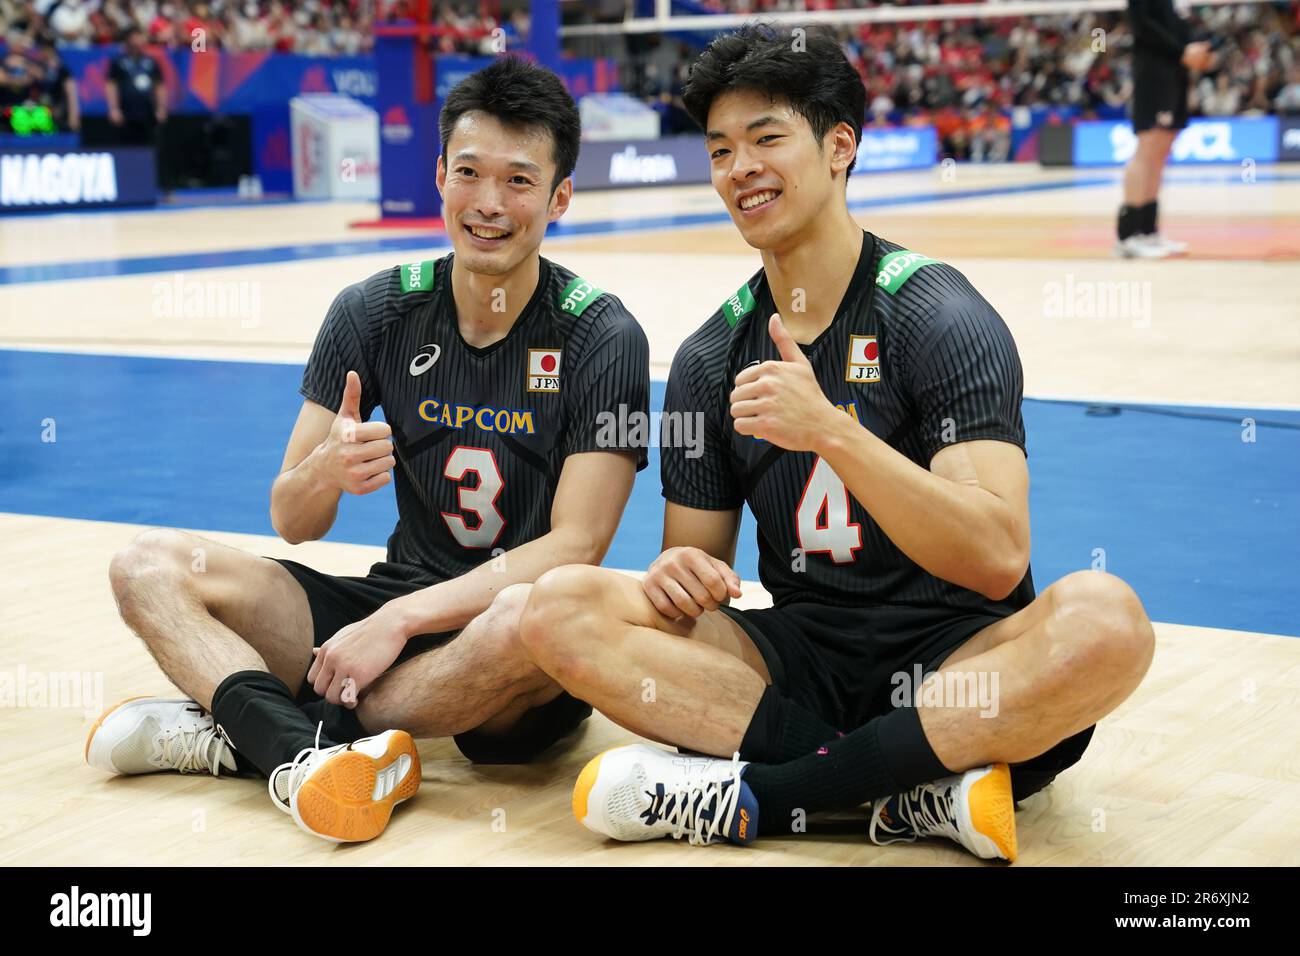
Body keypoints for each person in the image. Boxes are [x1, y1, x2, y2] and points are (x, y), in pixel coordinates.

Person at [519, 25, 1155, 861]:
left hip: (958, 661)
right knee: (562, 606)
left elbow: (997, 557)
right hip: (802, 662)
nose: (739, 168)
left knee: (1108, 621)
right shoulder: (713, 356)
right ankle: (917, 795)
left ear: (840, 147)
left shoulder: (936, 315)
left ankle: (775, 795)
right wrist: (682, 576)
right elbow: (696, 571)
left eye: (766, 138)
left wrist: (832, 432)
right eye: (720, 150)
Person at [86, 57, 651, 844]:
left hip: (511, 651)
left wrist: (399, 620)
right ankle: (297, 755)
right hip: (389, 611)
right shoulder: (374, 309)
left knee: (535, 609)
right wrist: (323, 474)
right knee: (143, 566)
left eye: (519, 182)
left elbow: (578, 543)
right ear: (438, 177)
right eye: (469, 173)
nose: (489, 203)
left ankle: (247, 726)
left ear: (560, 198)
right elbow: (291, 518)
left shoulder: (603, 334)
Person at [1115, 0, 1215, 258]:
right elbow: (1142, 25)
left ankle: (1148, 231)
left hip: (1175, 71)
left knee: (1161, 152)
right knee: (1147, 148)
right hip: (1154, 73)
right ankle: (1128, 236)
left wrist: (1198, 49)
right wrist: (1182, 51)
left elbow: (1179, 25)